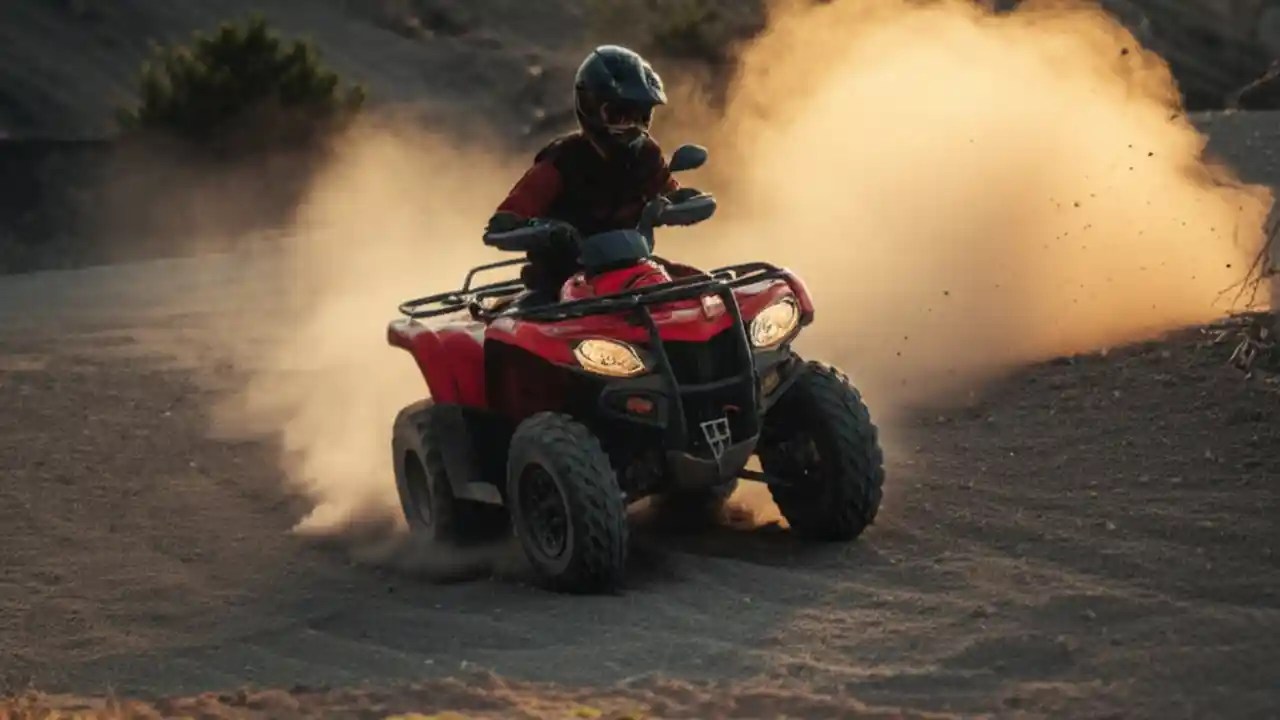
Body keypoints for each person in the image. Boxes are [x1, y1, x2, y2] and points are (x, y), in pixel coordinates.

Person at [483, 45, 697, 303]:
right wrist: (537, 230)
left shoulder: (647, 155)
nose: (633, 127)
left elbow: (668, 192)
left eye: (642, 116)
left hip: (632, 269)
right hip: (561, 282)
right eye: (620, 115)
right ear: (590, 108)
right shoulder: (562, 160)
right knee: (531, 311)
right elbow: (505, 220)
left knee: (702, 287)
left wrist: (684, 203)